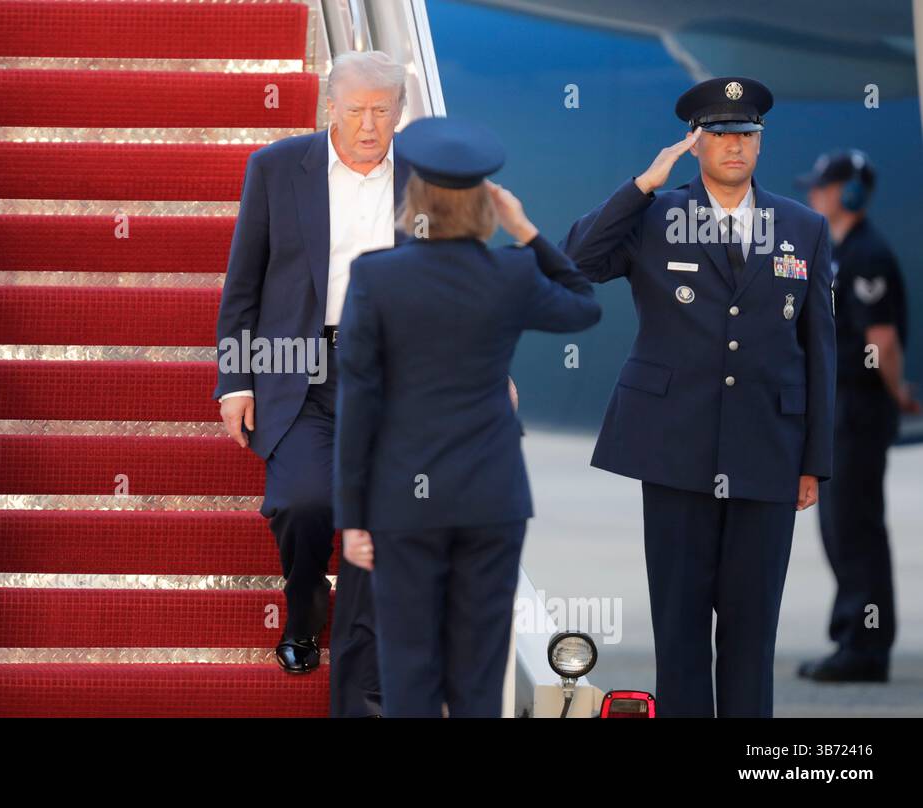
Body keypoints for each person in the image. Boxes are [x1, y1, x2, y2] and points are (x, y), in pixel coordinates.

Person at [562, 77, 836, 717]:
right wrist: (642, 185)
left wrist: (813, 460)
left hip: (768, 453)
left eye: (745, 135)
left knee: (750, 634)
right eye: (719, 135)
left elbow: (819, 349)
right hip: (675, 450)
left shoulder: (803, 228)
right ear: (696, 143)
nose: (733, 146)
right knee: (680, 632)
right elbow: (575, 261)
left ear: (760, 145)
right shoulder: (654, 216)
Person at [333, 116, 601, 717]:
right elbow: (584, 306)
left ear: (415, 198)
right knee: (479, 676)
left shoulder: (376, 277)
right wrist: (526, 230)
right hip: (491, 499)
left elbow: (359, 402)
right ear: (486, 202)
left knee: (409, 673)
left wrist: (353, 515)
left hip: (405, 504)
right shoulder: (510, 273)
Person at [213, 51, 414, 717]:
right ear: (330, 107)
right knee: (301, 502)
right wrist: (235, 380)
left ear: (399, 112)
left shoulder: (427, 178)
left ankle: (365, 673)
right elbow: (244, 283)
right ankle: (305, 612)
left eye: (380, 111)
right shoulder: (276, 167)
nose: (367, 125)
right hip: (297, 366)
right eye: (355, 109)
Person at [795, 150, 916, 682]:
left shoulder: (866, 255)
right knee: (839, 524)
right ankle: (853, 637)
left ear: (849, 193)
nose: (812, 197)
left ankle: (864, 647)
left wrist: (899, 393)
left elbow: (882, 341)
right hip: (840, 405)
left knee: (854, 525)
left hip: (859, 407)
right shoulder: (842, 251)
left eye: (822, 188)